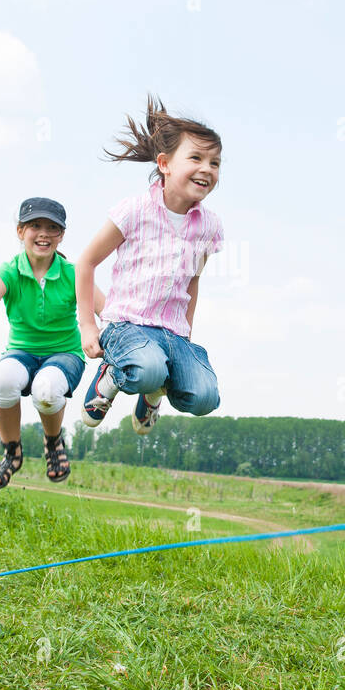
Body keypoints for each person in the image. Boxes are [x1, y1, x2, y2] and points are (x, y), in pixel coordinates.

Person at [76, 96, 224, 436]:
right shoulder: (134, 211)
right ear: (165, 164)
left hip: (173, 333)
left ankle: (154, 392)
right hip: (127, 325)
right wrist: (87, 326)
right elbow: (86, 262)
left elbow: (192, 282)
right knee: (147, 367)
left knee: (205, 397)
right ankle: (112, 376)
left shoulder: (209, 226)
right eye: (197, 158)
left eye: (215, 163)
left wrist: (186, 333)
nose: (207, 169)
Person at [0, 198, 104, 489]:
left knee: (45, 389)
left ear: (62, 235)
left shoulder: (74, 273)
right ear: (20, 231)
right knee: (3, 380)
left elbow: (107, 309)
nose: (43, 233)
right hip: (21, 351)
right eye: (35, 226)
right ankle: (11, 453)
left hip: (65, 353)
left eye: (52, 228)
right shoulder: (8, 271)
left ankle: (53, 441)